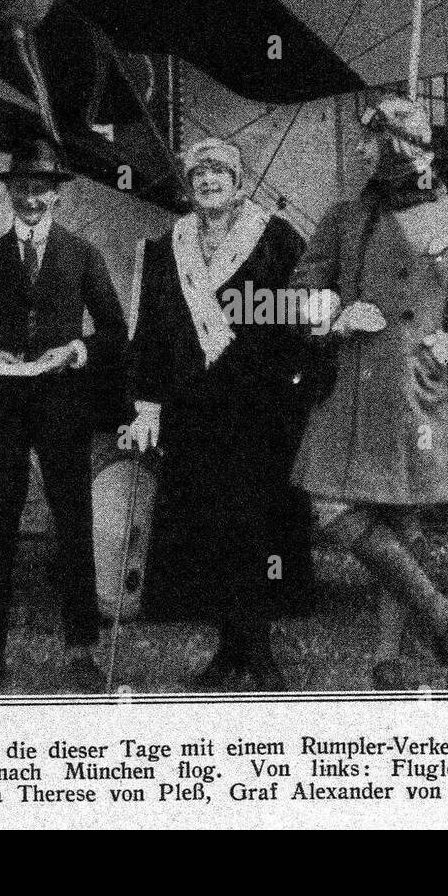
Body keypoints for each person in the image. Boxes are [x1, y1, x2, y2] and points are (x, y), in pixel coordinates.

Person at [291, 95, 448, 690]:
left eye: (403, 145)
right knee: (333, 508)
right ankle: (442, 618)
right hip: (348, 382)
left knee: (402, 518)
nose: (381, 154)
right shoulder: (344, 216)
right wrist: (332, 311)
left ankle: (401, 662)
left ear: (415, 152)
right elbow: (303, 285)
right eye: (386, 145)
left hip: (412, 383)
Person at [127, 138, 315, 691]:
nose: (209, 181)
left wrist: (298, 377)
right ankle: (227, 650)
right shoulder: (164, 249)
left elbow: (300, 313)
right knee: (211, 529)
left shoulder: (276, 239)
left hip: (259, 409)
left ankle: (259, 650)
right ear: (189, 186)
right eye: (199, 174)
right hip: (194, 413)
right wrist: (148, 403)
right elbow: (152, 333)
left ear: (238, 181)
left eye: (220, 173)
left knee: (256, 526)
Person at [0, 136, 128, 694]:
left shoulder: (83, 256)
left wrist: (72, 351)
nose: (32, 200)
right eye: (24, 190)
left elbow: (112, 331)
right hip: (3, 406)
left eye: (42, 191)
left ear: (58, 197)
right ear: (11, 195)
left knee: (73, 523)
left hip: (62, 406)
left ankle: (81, 650)